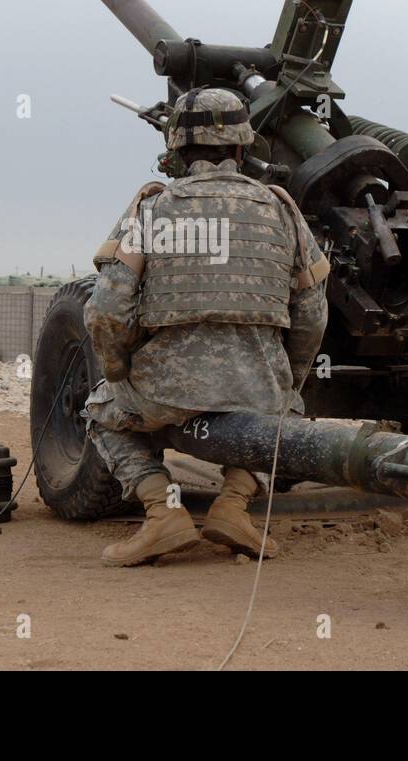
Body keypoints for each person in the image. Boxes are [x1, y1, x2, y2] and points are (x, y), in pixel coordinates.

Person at [83, 87, 329, 566]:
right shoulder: (281, 209)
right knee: (289, 412)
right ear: (242, 147)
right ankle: (233, 506)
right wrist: (285, 382)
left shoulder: (151, 208)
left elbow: (106, 311)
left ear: (175, 148)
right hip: (257, 387)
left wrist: (120, 370)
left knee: (101, 410)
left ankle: (163, 513)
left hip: (163, 390)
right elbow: (313, 315)